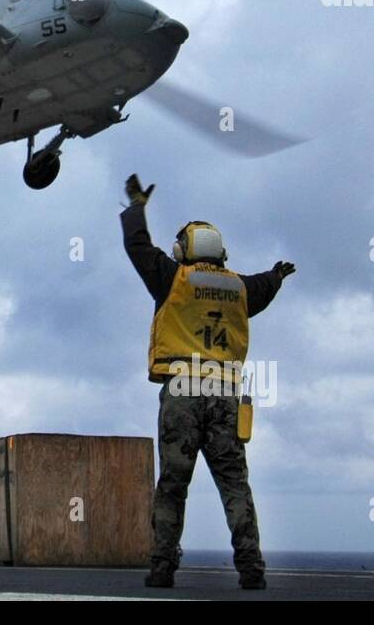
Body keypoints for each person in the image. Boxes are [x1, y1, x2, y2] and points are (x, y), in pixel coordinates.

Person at [120, 174, 295, 590]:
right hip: (225, 396)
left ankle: (163, 568)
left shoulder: (172, 278)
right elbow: (263, 288)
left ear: (184, 250)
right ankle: (251, 567)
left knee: (173, 485)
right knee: (234, 483)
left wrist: (136, 208)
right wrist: (276, 275)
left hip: (182, 391)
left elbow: (138, 247)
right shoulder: (238, 288)